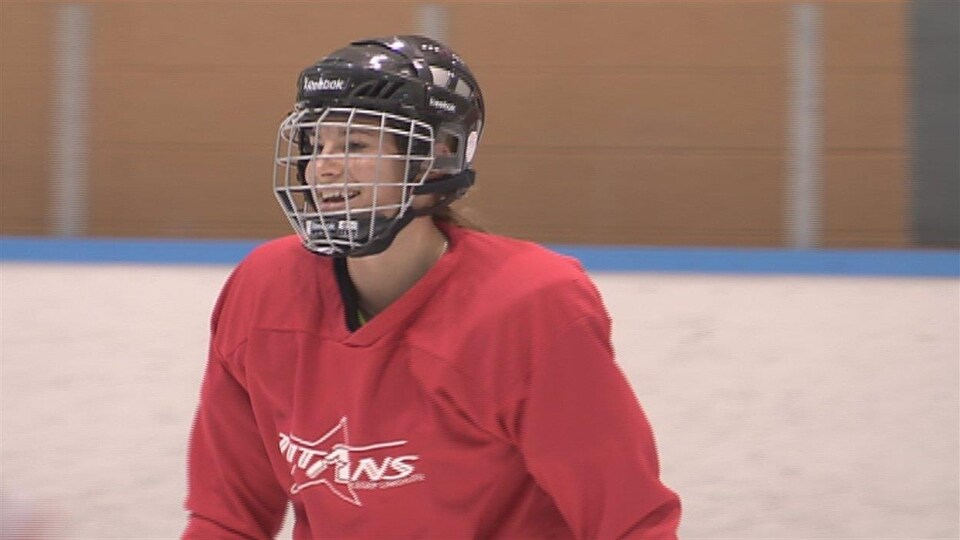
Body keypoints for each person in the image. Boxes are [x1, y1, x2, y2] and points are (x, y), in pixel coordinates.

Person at [182, 35, 681, 539]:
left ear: (436, 156)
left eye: (353, 145)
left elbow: (629, 522)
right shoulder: (264, 290)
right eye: (315, 145)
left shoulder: (528, 305)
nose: (322, 168)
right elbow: (226, 517)